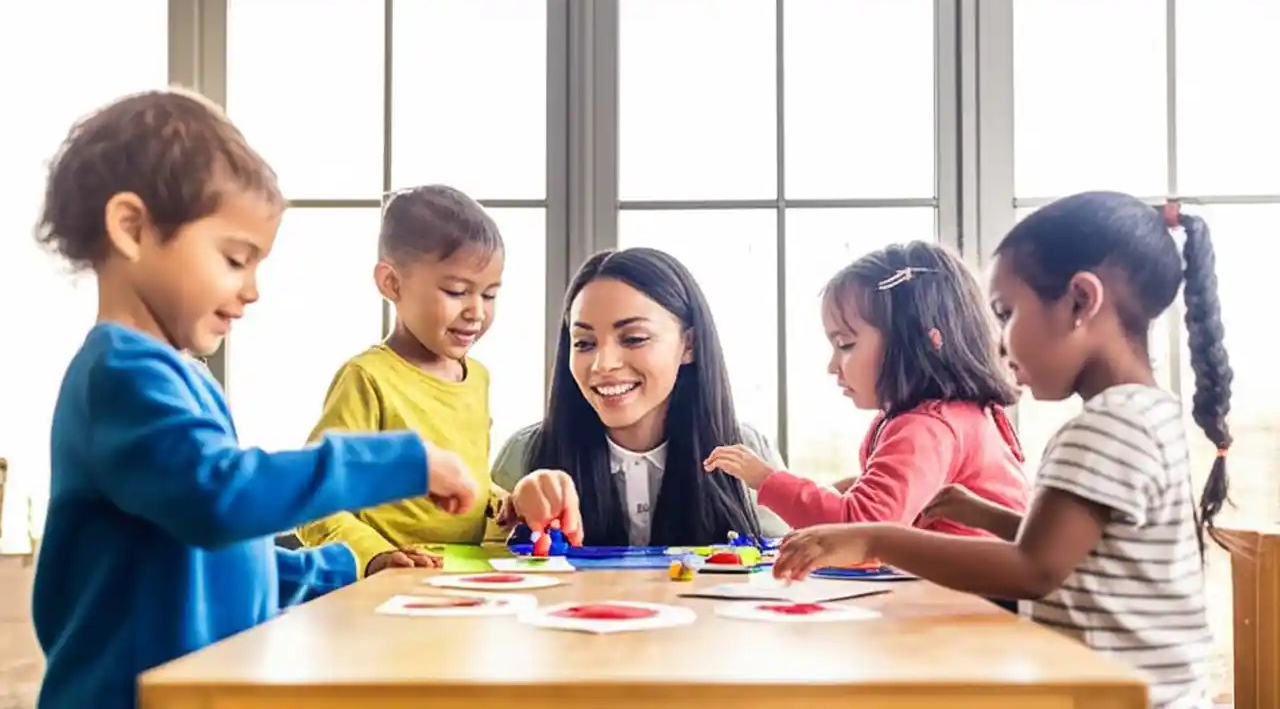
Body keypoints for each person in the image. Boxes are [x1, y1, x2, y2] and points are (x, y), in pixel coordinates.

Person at [29, 89, 477, 709]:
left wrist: (345, 568)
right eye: (235, 259)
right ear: (131, 228)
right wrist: (403, 462)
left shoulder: (178, 381)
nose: (253, 290)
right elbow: (221, 498)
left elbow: (216, 559)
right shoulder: (119, 377)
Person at [774, 191, 1227, 709]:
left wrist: (878, 537)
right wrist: (982, 514)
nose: (1001, 343)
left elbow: (1033, 569)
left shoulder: (1104, 429)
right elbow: (1085, 553)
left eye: (1006, 314)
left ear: (1081, 301)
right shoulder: (1147, 413)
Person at [705, 241, 1027, 537]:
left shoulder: (927, 427)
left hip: (973, 596)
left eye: (846, 344)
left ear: (921, 344)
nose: (833, 366)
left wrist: (766, 479)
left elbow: (864, 531)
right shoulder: (956, 415)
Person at [492, 247, 789, 546]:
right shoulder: (524, 456)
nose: (603, 364)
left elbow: (788, 570)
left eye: (634, 339)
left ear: (689, 344)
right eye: (584, 343)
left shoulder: (748, 455)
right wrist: (518, 518)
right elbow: (483, 577)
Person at [296, 185, 508, 576]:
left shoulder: (477, 378)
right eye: (457, 291)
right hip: (386, 586)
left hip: (463, 583)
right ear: (392, 284)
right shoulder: (367, 378)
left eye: (490, 295)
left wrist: (501, 505)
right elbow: (316, 500)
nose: (476, 311)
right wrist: (375, 556)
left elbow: (469, 481)